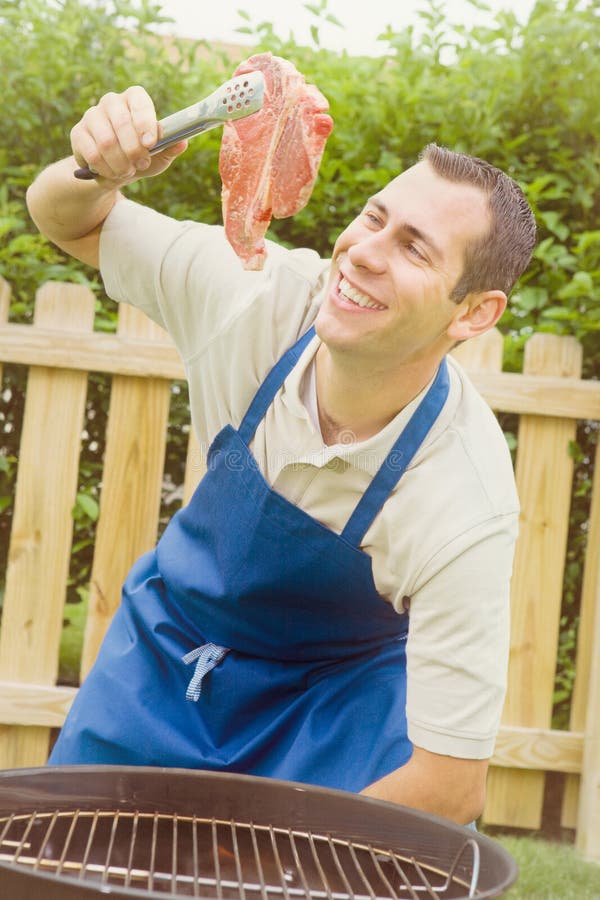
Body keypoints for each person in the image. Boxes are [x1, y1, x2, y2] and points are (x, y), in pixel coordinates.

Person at [26, 83, 536, 826]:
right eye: (374, 217)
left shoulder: (464, 499)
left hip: (330, 715)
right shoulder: (253, 296)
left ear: (475, 313)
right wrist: (97, 168)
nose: (363, 254)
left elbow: (450, 787)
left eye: (414, 247)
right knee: (63, 855)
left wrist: (259, 852)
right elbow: (66, 217)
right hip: (167, 658)